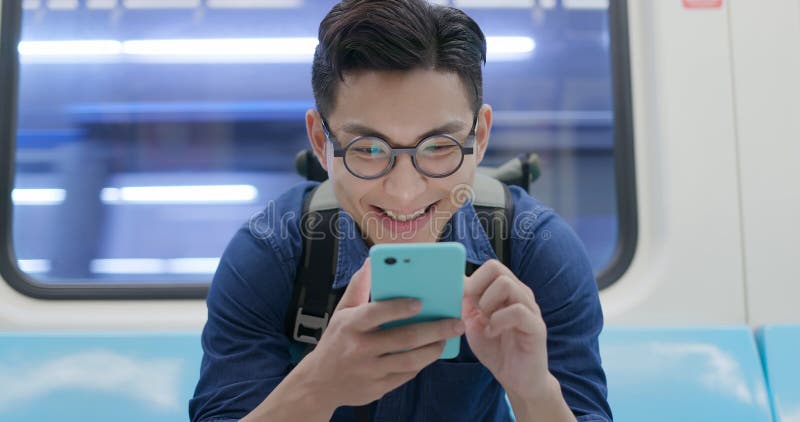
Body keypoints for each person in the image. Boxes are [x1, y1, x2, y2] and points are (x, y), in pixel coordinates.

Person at [190, 1, 612, 421]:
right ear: (321, 142)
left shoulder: (535, 249)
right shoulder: (271, 251)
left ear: (479, 136)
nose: (405, 192)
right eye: (369, 150)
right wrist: (316, 387)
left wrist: (533, 391)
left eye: (440, 147)